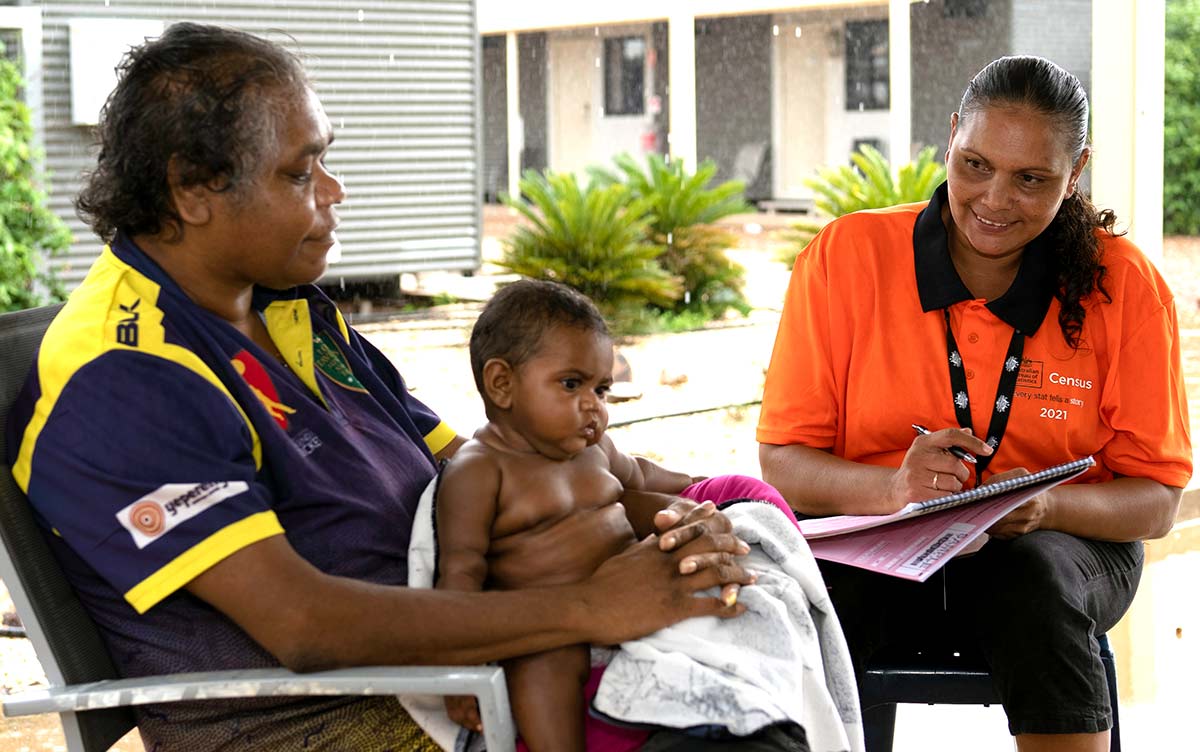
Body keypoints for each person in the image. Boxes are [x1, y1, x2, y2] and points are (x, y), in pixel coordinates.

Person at [5, 23, 761, 752]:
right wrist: (591, 604)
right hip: (331, 721)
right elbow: (301, 623)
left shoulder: (286, 309)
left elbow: (479, 467)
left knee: (753, 622)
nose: (334, 192)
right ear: (193, 188)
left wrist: (648, 517)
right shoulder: (126, 376)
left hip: (479, 649)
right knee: (736, 726)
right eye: (300, 173)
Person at [757, 55, 1191, 752]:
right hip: (881, 544)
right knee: (803, 592)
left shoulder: (1125, 286)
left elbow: (1158, 502)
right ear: (953, 135)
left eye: (1032, 179)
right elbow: (781, 461)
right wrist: (893, 488)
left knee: (1033, 578)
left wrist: (1047, 506)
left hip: (1062, 554)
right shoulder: (847, 256)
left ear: (1075, 172)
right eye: (976, 165)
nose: (994, 200)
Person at [435, 279, 800, 751]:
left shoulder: (591, 448)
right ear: (502, 384)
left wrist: (688, 496)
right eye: (572, 384)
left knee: (732, 612)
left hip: (642, 594)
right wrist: (458, 673)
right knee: (542, 668)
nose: (594, 405)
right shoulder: (480, 472)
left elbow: (645, 476)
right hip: (552, 622)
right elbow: (459, 577)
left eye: (602, 389)